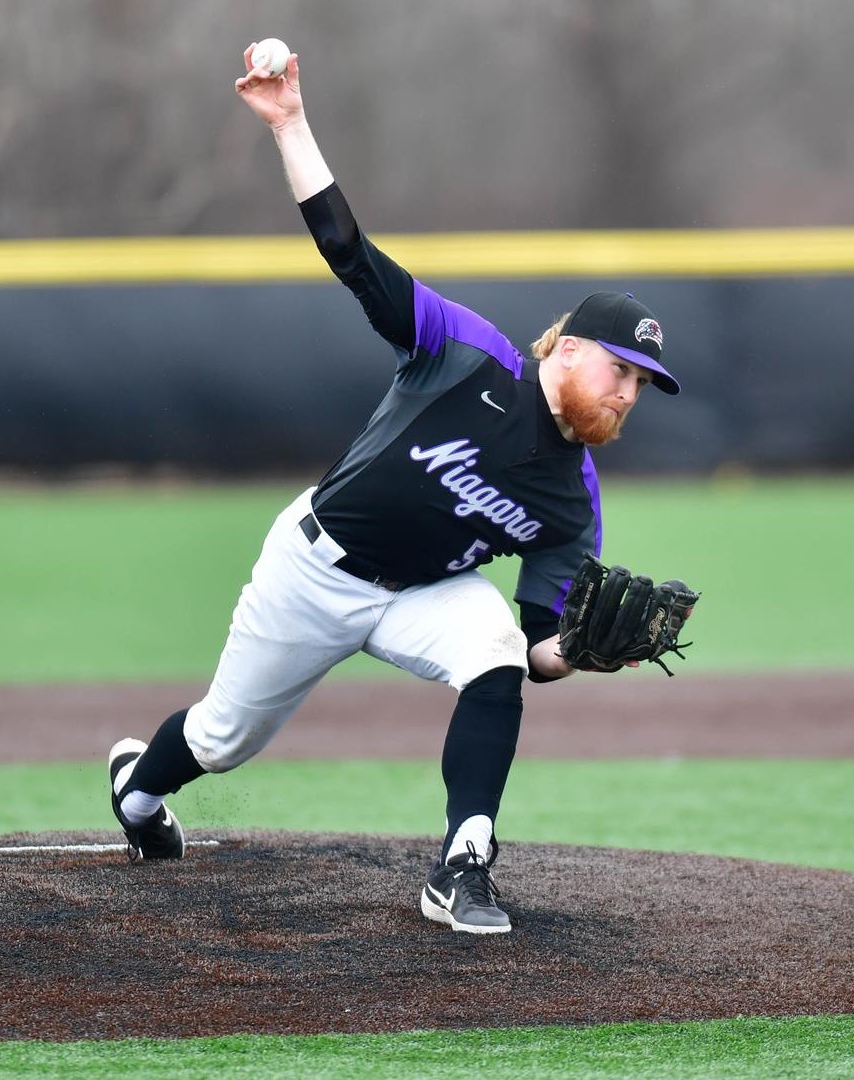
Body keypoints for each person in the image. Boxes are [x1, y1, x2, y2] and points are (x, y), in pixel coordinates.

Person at [104, 43, 682, 935]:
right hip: (316, 568)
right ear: (565, 350)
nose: (627, 393)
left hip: (420, 595)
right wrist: (291, 123)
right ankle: (138, 794)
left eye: (642, 384)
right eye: (620, 369)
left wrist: (582, 652)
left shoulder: (575, 500)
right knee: (222, 739)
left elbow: (534, 647)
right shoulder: (465, 354)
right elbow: (351, 255)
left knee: (490, 657)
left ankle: (464, 863)